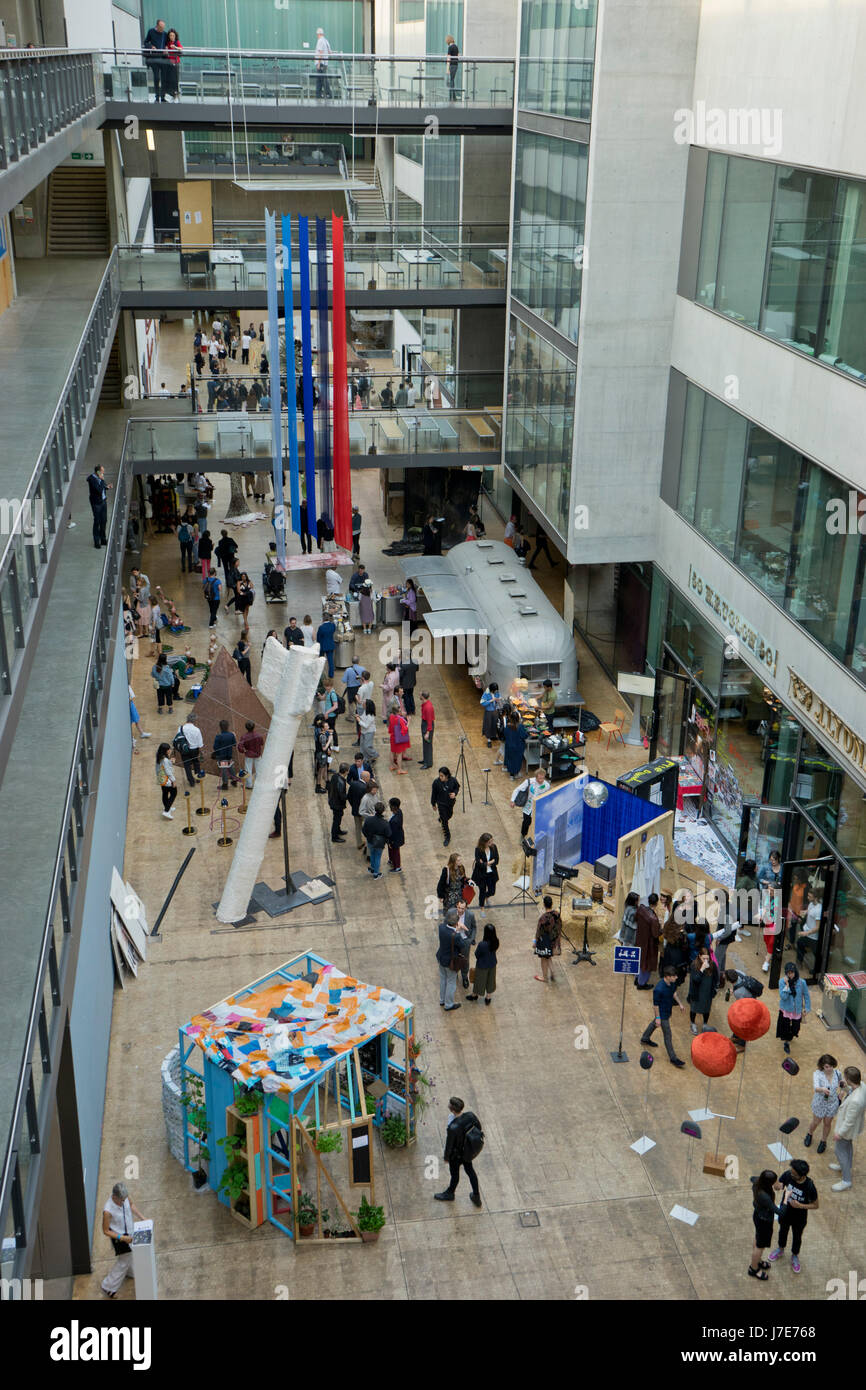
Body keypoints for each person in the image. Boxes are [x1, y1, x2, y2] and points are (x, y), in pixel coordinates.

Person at [768, 1160, 819, 1274]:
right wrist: (777, 1185)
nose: (791, 1175)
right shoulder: (788, 1175)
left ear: (802, 1176)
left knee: (797, 1236)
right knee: (782, 1231)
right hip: (785, 1212)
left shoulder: (809, 1186)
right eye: (791, 1172)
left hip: (799, 1217)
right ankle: (780, 1249)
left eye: (794, 1174)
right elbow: (780, 1184)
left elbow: (816, 1205)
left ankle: (795, 1256)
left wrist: (800, 1205)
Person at [101, 1182, 146, 1297]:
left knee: (130, 1255)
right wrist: (122, 1238)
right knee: (124, 1260)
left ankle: (130, 1272)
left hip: (129, 1232)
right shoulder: (108, 1210)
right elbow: (106, 1230)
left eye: (124, 1199)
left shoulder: (124, 1198)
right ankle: (108, 1286)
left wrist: (142, 1218)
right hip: (119, 1238)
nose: (123, 1202)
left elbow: (131, 1205)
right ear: (114, 1197)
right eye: (121, 1200)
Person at [435, 1097, 483, 1206]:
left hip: (456, 1155)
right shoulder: (470, 1115)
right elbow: (479, 1128)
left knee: (455, 1175)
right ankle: (476, 1196)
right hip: (467, 1152)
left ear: (452, 1109)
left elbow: (449, 1145)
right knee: (470, 1172)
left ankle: (450, 1193)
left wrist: (447, 1157)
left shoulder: (453, 1127)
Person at [639, 966, 687, 1066]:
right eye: (674, 976)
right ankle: (673, 1058)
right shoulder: (659, 989)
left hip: (667, 1010)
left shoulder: (672, 983)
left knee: (654, 1024)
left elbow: (674, 993)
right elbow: (655, 1006)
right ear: (667, 977)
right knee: (668, 1035)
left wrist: (680, 1004)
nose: (676, 977)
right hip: (662, 1014)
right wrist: (658, 1018)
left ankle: (645, 1038)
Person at [830, 1066, 866, 1191]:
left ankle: (846, 1180)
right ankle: (845, 1165)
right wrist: (845, 1087)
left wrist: (839, 1133)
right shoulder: (862, 1085)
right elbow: (851, 1090)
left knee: (840, 1152)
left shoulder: (856, 1101)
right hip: (853, 1127)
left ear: (849, 1079)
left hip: (847, 1130)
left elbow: (849, 1121)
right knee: (847, 1147)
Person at [804, 1054, 843, 1154]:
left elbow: (842, 1084)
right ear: (822, 1066)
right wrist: (822, 1089)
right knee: (816, 1122)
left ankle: (823, 1141)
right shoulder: (817, 1074)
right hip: (820, 1102)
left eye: (831, 1066)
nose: (829, 1068)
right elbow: (816, 1088)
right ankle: (809, 1134)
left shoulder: (838, 1073)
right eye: (826, 1066)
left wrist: (841, 1092)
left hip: (832, 1103)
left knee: (827, 1123)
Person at [749, 1171, 783, 1280]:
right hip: (764, 1220)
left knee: (758, 1238)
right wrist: (786, 1198)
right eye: (774, 1181)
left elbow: (752, 1177)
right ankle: (753, 1268)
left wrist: (775, 1184)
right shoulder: (764, 1197)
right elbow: (780, 1212)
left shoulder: (757, 1183)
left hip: (757, 1216)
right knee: (760, 1246)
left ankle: (757, 1261)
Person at [436, 908, 467, 1012]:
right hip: (450, 962)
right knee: (451, 982)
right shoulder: (455, 936)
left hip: (441, 958)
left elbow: (446, 923)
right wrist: (458, 931)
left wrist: (455, 928)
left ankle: (442, 1000)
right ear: (457, 923)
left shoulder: (441, 928)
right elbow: (462, 945)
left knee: (443, 979)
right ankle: (448, 1004)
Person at [777, 961, 810, 1053]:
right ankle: (786, 1042)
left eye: (792, 972)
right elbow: (783, 997)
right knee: (785, 1027)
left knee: (796, 1028)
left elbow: (806, 996)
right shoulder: (782, 982)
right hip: (786, 1009)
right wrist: (787, 986)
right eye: (788, 973)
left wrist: (807, 1008)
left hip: (797, 1010)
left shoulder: (801, 982)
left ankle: (791, 1036)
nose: (790, 975)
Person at [687, 944, 719, 1033]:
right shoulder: (694, 965)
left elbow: (716, 978)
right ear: (699, 956)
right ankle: (693, 1023)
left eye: (707, 958)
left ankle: (705, 1024)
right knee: (694, 1009)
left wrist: (715, 988)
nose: (706, 960)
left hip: (707, 992)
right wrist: (702, 969)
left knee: (706, 1009)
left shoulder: (712, 965)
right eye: (703, 958)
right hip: (696, 992)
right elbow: (695, 980)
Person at [511, 767, 550, 840]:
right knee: (526, 822)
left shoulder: (547, 786)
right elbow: (517, 789)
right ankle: (523, 836)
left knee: (538, 824)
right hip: (528, 807)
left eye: (543, 778)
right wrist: (512, 800)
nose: (541, 780)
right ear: (536, 777)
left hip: (539, 808)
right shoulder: (529, 782)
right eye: (539, 778)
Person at [634, 893, 662, 988]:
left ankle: (636, 978)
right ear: (656, 903)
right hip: (648, 944)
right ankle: (641, 983)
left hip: (639, 939)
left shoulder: (641, 909)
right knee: (646, 964)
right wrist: (661, 929)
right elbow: (655, 934)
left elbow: (636, 919)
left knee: (639, 959)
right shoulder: (653, 919)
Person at [533, 895, 562, 983]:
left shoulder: (543, 918)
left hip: (546, 942)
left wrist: (535, 942)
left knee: (544, 959)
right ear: (552, 904)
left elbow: (538, 932)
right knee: (549, 957)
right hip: (555, 941)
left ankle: (544, 978)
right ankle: (553, 974)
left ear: (544, 905)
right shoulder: (557, 914)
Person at [468, 924, 498, 1005]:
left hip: (482, 965)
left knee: (479, 981)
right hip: (492, 964)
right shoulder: (496, 941)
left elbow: (477, 954)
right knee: (490, 980)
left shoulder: (482, 944)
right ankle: (488, 997)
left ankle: (475, 995)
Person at [431, 766, 460, 847]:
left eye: (442, 776)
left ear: (447, 775)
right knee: (445, 821)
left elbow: (457, 787)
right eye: (439, 775)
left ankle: (441, 818)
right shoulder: (436, 782)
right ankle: (447, 836)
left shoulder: (453, 780)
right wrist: (433, 804)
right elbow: (433, 794)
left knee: (449, 815)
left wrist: (455, 793)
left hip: (450, 803)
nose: (440, 777)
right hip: (441, 804)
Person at [796, 887, 823, 970]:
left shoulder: (819, 910)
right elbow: (808, 912)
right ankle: (799, 962)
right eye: (808, 896)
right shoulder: (811, 904)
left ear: (816, 898)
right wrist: (801, 914)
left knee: (816, 953)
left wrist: (806, 933)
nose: (807, 898)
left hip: (813, 936)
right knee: (800, 943)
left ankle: (818, 970)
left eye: (809, 896)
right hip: (806, 930)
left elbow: (818, 927)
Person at [363, 800, 390, 878]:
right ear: (383, 811)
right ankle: (376, 873)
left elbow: (364, 830)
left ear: (375, 809)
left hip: (370, 840)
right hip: (379, 843)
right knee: (377, 856)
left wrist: (368, 836)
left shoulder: (368, 820)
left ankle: (372, 867)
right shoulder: (385, 823)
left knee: (372, 854)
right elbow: (388, 834)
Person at [142, 18, 168, 103]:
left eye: (163, 27)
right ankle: (157, 97)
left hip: (163, 58)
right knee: (157, 78)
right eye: (161, 27)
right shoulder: (151, 31)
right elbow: (145, 42)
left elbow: (167, 44)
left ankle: (163, 97)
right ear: (157, 26)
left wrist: (166, 49)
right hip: (154, 59)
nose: (162, 29)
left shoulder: (165, 34)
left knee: (164, 78)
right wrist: (151, 46)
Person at [175, 714, 204, 786]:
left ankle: (191, 781)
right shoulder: (197, 730)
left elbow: (178, 739)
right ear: (194, 720)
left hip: (184, 750)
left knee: (187, 766)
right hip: (194, 750)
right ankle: (198, 778)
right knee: (196, 763)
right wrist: (201, 752)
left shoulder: (180, 728)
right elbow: (200, 743)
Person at [87, 463, 111, 548]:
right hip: (96, 503)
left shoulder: (99, 478)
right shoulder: (92, 480)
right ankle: (97, 541)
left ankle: (103, 539)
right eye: (102, 472)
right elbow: (99, 490)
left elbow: (102, 487)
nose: (103, 473)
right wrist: (101, 480)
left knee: (104, 520)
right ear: (98, 472)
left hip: (103, 501)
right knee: (97, 521)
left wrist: (107, 487)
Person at [472, 833, 499, 907]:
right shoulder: (478, 849)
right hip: (481, 874)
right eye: (489, 842)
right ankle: (482, 907)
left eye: (492, 841)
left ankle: (486, 897)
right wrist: (489, 862)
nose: (491, 843)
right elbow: (479, 864)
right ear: (484, 842)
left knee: (492, 891)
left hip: (491, 873)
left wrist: (485, 863)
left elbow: (496, 860)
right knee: (482, 891)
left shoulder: (493, 847)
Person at [212, 719, 238, 790]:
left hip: (222, 757)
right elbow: (234, 744)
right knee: (231, 767)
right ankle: (234, 780)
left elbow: (215, 747)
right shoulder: (231, 735)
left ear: (220, 727)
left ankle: (225, 785)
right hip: (229, 755)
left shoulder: (218, 736)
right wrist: (234, 736)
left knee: (224, 770)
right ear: (228, 727)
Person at [348, 770, 372, 850]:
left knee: (358, 827)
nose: (370, 778)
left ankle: (359, 843)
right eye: (369, 777)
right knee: (368, 829)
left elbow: (349, 797)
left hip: (355, 810)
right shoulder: (366, 788)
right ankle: (368, 848)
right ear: (365, 778)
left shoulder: (353, 784)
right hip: (364, 812)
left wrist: (353, 805)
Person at [238, 720, 264, 790]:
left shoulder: (244, 736)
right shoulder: (259, 735)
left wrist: (243, 751)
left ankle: (249, 785)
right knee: (259, 769)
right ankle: (259, 783)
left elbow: (240, 747)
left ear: (246, 728)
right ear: (254, 727)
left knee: (248, 770)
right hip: (257, 754)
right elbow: (262, 743)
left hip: (249, 755)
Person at [155, 742, 177, 819]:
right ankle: (166, 811)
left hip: (161, 779)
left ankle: (168, 806)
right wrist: (173, 781)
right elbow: (168, 772)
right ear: (166, 751)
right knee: (174, 793)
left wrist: (170, 762)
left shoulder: (159, 755)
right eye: (169, 749)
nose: (170, 750)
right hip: (167, 780)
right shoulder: (165, 760)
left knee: (165, 793)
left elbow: (163, 766)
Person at [327, 762, 349, 842]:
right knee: (336, 820)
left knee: (338, 818)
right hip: (337, 804)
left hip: (332, 801)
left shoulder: (334, 776)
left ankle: (338, 830)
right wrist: (349, 796)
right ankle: (334, 836)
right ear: (346, 771)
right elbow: (342, 796)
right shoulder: (341, 782)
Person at [503, 712, 528, 778]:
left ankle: (511, 774)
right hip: (518, 746)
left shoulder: (507, 726)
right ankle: (516, 774)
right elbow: (524, 736)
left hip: (509, 746)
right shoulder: (520, 726)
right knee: (517, 761)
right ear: (518, 718)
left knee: (510, 759)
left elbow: (505, 734)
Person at [388, 703, 411, 773]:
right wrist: (409, 721)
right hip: (398, 739)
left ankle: (392, 765)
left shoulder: (391, 716)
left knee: (392, 751)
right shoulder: (400, 720)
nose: (401, 712)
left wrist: (401, 715)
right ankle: (400, 769)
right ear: (397, 712)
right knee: (399, 754)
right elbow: (405, 729)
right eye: (400, 711)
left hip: (392, 737)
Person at [313, 714, 333, 793]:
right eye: (326, 726)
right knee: (321, 770)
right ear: (322, 728)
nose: (328, 727)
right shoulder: (322, 736)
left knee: (324, 769)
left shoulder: (322, 733)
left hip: (321, 754)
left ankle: (327, 783)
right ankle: (318, 786)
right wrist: (329, 740)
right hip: (321, 755)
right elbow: (324, 748)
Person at [318, 678, 340, 748]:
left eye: (327, 686)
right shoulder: (327, 692)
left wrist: (327, 712)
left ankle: (335, 745)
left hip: (331, 715)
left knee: (331, 730)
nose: (326, 687)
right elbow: (322, 698)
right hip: (327, 715)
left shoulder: (332, 694)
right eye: (325, 686)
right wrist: (319, 695)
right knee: (329, 729)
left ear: (331, 686)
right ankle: (332, 745)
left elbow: (335, 706)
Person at [128, 687, 151, 752]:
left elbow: (132, 696)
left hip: (130, 703)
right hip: (128, 704)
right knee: (129, 723)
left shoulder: (127, 686)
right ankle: (131, 738)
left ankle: (142, 733)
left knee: (136, 719)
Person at [480, 682, 501, 748]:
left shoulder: (496, 692)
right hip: (489, 711)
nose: (496, 692)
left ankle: (493, 736)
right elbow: (482, 703)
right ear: (492, 690)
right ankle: (489, 740)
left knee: (494, 724)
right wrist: (491, 700)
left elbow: (498, 696)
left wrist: (498, 699)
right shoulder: (486, 693)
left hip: (495, 710)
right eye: (495, 690)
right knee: (488, 725)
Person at [357, 698, 378, 763]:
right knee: (362, 746)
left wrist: (359, 720)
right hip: (363, 732)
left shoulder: (370, 716)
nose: (362, 703)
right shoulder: (365, 711)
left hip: (369, 732)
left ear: (367, 705)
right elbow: (363, 718)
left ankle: (374, 754)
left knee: (367, 746)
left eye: (364, 703)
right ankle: (365, 759)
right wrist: (359, 716)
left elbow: (366, 725)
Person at [314, 27, 332, 99]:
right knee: (320, 79)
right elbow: (330, 52)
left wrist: (318, 63)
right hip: (325, 63)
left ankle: (328, 94)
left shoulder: (320, 41)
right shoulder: (326, 41)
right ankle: (318, 95)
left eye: (317, 34)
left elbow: (320, 52)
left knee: (323, 79)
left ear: (318, 34)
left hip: (321, 63)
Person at [387, 797, 404, 873]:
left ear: (394, 807)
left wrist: (391, 842)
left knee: (395, 852)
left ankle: (397, 867)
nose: (389, 806)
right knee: (392, 851)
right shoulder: (399, 812)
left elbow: (393, 833)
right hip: (398, 836)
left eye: (390, 805)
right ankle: (391, 860)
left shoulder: (394, 821)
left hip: (395, 839)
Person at [418, 691, 435, 768]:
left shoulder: (428, 707)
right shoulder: (426, 704)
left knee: (428, 745)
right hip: (425, 724)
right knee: (425, 744)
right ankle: (425, 760)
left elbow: (429, 721)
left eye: (420, 694)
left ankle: (428, 763)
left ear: (423, 697)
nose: (419, 695)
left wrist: (428, 732)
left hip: (427, 726)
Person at [164, 28, 182, 98]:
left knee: (175, 78)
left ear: (175, 36)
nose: (172, 37)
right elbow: (166, 50)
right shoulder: (167, 43)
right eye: (170, 35)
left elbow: (181, 48)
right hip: (168, 62)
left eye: (173, 35)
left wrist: (175, 47)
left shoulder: (177, 42)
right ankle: (170, 93)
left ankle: (175, 93)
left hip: (175, 62)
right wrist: (166, 49)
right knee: (169, 78)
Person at [445, 34, 460, 101]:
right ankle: (453, 97)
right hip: (456, 65)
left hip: (452, 65)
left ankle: (451, 97)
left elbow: (448, 58)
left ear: (448, 41)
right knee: (452, 80)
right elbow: (458, 56)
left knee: (451, 81)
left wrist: (447, 69)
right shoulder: (456, 47)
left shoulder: (450, 47)